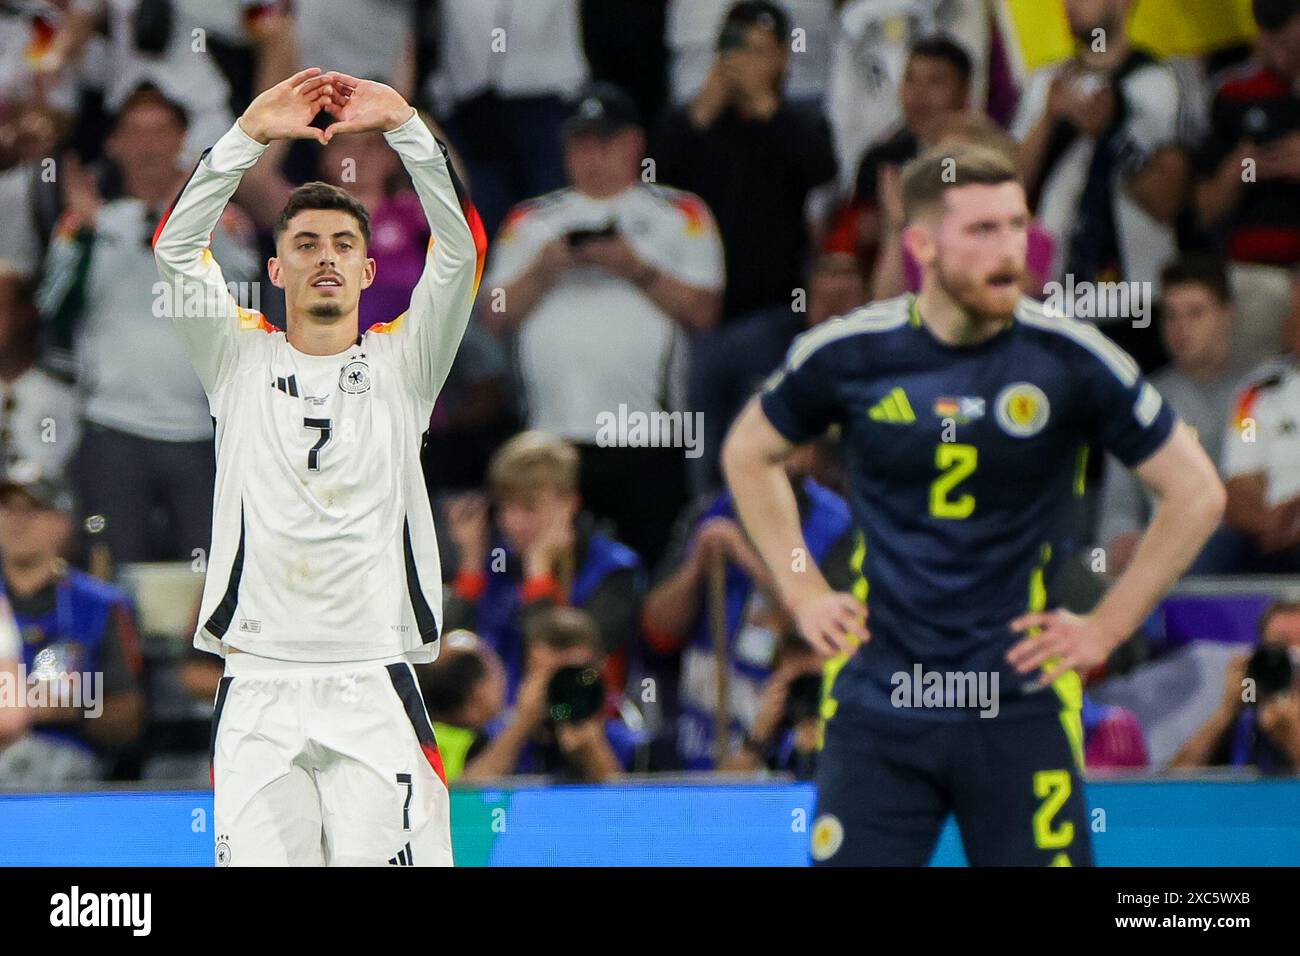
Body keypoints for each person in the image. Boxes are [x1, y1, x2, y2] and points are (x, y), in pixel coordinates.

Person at [721, 142, 1225, 866]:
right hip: (880, 703)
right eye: (983, 230)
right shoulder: (849, 353)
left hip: (1017, 703)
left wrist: (1106, 628)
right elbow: (747, 453)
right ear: (922, 244)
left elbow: (1197, 491)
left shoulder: (1072, 358)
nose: (1009, 249)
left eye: (1017, 226)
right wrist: (801, 590)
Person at [153, 68, 486, 866]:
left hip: (374, 673)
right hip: (259, 681)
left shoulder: (408, 362)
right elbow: (175, 247)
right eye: (303, 244)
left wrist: (404, 124)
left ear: (370, 272)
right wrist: (249, 134)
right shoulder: (235, 356)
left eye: (344, 245)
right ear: (275, 271)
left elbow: (462, 245)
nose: (325, 258)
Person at [485, 83, 725, 568]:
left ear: (635, 143)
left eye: (606, 141)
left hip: (645, 433)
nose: (593, 155)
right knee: (552, 575)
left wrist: (634, 267)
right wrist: (544, 269)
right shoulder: (530, 219)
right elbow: (493, 314)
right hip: (552, 436)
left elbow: (705, 310)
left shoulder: (681, 214)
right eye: (581, 143)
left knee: (652, 571)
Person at [39, 85, 260, 566]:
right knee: (112, 568)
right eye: (135, 131)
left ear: (181, 138)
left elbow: (248, 303)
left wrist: (200, 221)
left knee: (214, 572)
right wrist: (88, 234)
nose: (148, 144)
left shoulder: (224, 221)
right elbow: (53, 314)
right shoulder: (85, 224)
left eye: (160, 130)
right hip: (113, 426)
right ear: (114, 143)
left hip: (200, 429)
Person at [643, 442, 853, 770]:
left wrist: (745, 556)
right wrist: (695, 568)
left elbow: (826, 634)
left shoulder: (836, 527)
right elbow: (658, 630)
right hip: (698, 733)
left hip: (781, 741)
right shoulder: (710, 513)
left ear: (811, 450)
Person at [1013, 0, 1190, 369]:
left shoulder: (1156, 83)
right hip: (1056, 297)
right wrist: (1048, 121)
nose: (1070, 5)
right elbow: (1009, 188)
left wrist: (1111, 134)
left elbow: (1165, 201)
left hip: (1135, 296)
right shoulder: (1047, 83)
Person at [655, 0, 837, 322]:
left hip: (775, 307)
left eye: (759, 52)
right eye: (736, 50)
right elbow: (653, 183)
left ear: (782, 58)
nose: (743, 64)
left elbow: (822, 170)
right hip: (700, 305)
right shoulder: (691, 122)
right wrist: (698, 117)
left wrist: (766, 108)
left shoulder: (798, 122)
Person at [441, 431, 643, 701]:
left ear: (570, 503)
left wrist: (539, 575)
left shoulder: (615, 572)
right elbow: (443, 667)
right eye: (504, 507)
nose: (512, 522)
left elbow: (560, 671)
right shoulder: (499, 562)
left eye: (528, 507)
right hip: (501, 729)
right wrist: (470, 565)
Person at [1098, 257, 1249, 575]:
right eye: (1171, 315)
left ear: (1227, 314)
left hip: (1245, 555)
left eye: (1195, 313)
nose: (1181, 328)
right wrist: (1121, 538)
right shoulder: (1139, 401)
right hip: (1161, 562)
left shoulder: (1259, 394)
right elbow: (1117, 507)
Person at [0, 462, 144, 787]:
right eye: (6, 508)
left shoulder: (101, 604)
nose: (16, 520)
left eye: (32, 509)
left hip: (69, 765)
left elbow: (129, 718)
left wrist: (76, 710)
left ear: (62, 521)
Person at [460, 606, 647, 782]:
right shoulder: (493, 738)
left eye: (572, 678)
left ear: (599, 674)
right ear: (527, 674)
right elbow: (468, 805)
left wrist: (596, 755)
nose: (561, 690)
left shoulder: (632, 747)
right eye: (549, 679)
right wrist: (520, 728)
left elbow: (634, 813)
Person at [1195, 0, 1300, 268]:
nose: (1286, 58)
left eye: (1295, 47)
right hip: (1248, 269)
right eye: (1278, 45)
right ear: (1259, 35)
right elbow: (1203, 211)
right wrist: (1241, 172)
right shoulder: (1232, 93)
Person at [1170, 599, 1300, 771]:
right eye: (1280, 647)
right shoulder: (1247, 717)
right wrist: (1227, 711)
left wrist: (1292, 740)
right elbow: (1173, 786)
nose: (1294, 657)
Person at [1218, 300, 1300, 572]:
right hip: (1271, 536)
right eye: (1293, 310)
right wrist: (1270, 523)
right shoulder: (1255, 395)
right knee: (1212, 550)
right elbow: (1241, 480)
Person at [415, 629, 508, 783]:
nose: (503, 681)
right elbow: (469, 796)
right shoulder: (479, 744)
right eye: (496, 671)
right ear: (479, 691)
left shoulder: (412, 734)